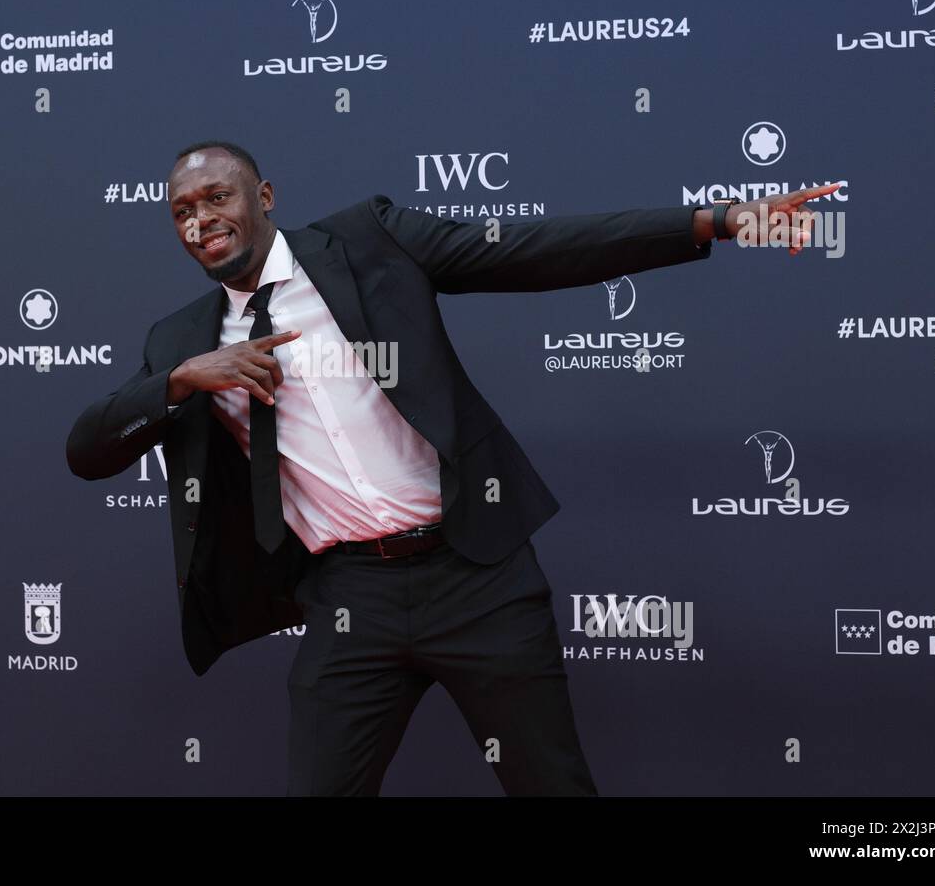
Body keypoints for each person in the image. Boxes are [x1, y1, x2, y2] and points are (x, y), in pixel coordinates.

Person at [65, 140, 837, 795]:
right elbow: (88, 450)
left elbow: (536, 250)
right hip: (347, 599)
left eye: (215, 197)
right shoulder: (181, 341)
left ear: (262, 195)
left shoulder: (370, 241)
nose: (200, 221)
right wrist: (180, 382)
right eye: (181, 213)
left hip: (475, 575)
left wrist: (717, 220)